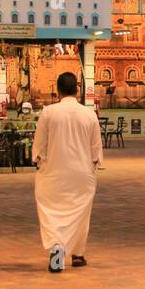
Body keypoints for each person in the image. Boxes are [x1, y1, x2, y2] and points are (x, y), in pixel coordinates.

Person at [32, 72, 102, 272]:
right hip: (82, 173)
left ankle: (57, 252)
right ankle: (78, 254)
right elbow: (96, 150)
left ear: (58, 90)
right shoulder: (89, 114)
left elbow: (39, 147)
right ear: (77, 90)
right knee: (80, 213)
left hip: (53, 173)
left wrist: (40, 162)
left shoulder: (48, 113)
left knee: (52, 214)